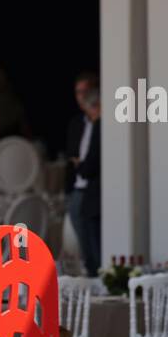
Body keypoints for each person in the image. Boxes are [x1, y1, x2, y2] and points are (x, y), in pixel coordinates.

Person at [67, 88, 102, 276]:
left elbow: (93, 159)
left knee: (92, 240)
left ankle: (96, 274)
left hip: (94, 190)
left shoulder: (100, 125)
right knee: (87, 235)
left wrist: (81, 166)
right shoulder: (80, 124)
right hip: (85, 188)